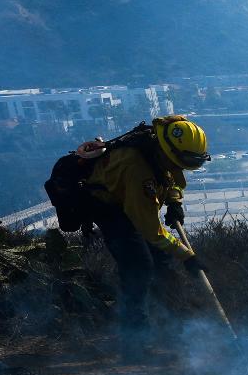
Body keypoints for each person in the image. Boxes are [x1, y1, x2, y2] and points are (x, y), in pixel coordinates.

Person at [82, 115, 209, 359]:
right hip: (112, 209)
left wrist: (174, 202)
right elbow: (150, 229)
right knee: (139, 269)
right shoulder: (137, 169)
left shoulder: (160, 151)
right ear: (167, 150)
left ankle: (167, 330)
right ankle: (134, 344)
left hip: (131, 204)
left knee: (162, 265)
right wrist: (188, 256)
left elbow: (172, 176)